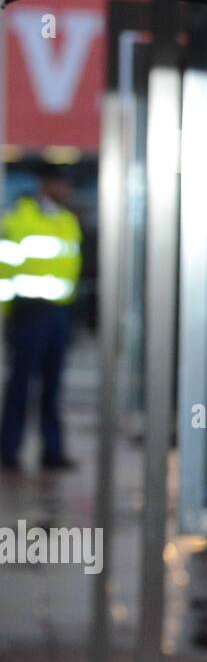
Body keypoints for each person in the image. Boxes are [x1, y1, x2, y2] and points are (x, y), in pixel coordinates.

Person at [0, 167, 82, 471]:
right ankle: (8, 449)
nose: (64, 190)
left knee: (52, 386)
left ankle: (52, 450)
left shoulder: (66, 220)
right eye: (59, 184)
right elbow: (5, 269)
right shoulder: (19, 218)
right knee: (20, 383)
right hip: (28, 310)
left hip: (58, 312)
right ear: (45, 185)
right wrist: (7, 311)